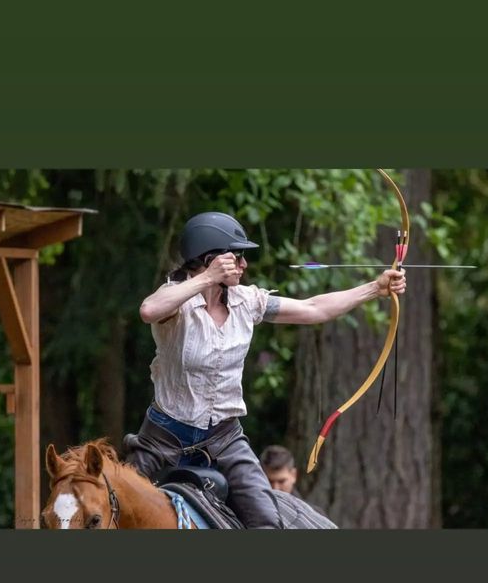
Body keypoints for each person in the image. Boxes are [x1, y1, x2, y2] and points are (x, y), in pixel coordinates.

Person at [125, 211, 406, 529]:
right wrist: (206, 278)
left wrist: (376, 288)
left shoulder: (248, 301)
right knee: (114, 508)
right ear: (212, 259)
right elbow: (148, 310)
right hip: (162, 438)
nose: (244, 265)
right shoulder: (174, 301)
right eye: (238, 257)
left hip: (223, 438)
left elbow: (314, 309)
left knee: (266, 521)